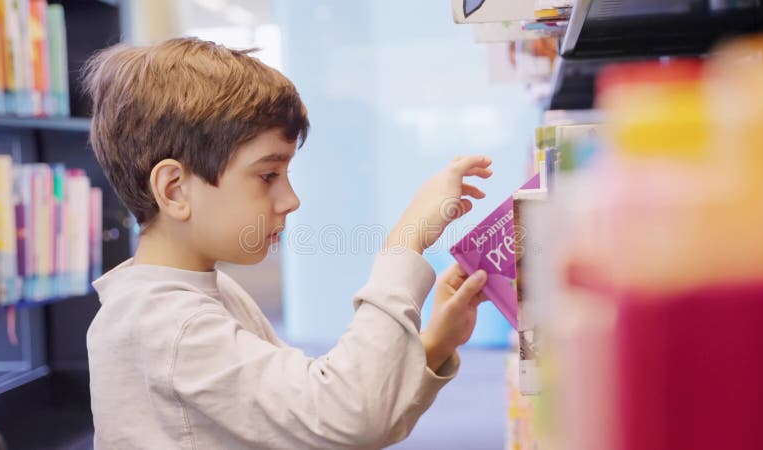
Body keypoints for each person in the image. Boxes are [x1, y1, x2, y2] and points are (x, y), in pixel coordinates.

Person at [83, 37, 492, 449]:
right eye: (268, 176)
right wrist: (404, 242)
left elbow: (318, 426)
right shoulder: (166, 324)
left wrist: (436, 343)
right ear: (174, 189)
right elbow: (347, 412)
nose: (291, 200)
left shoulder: (204, 295)